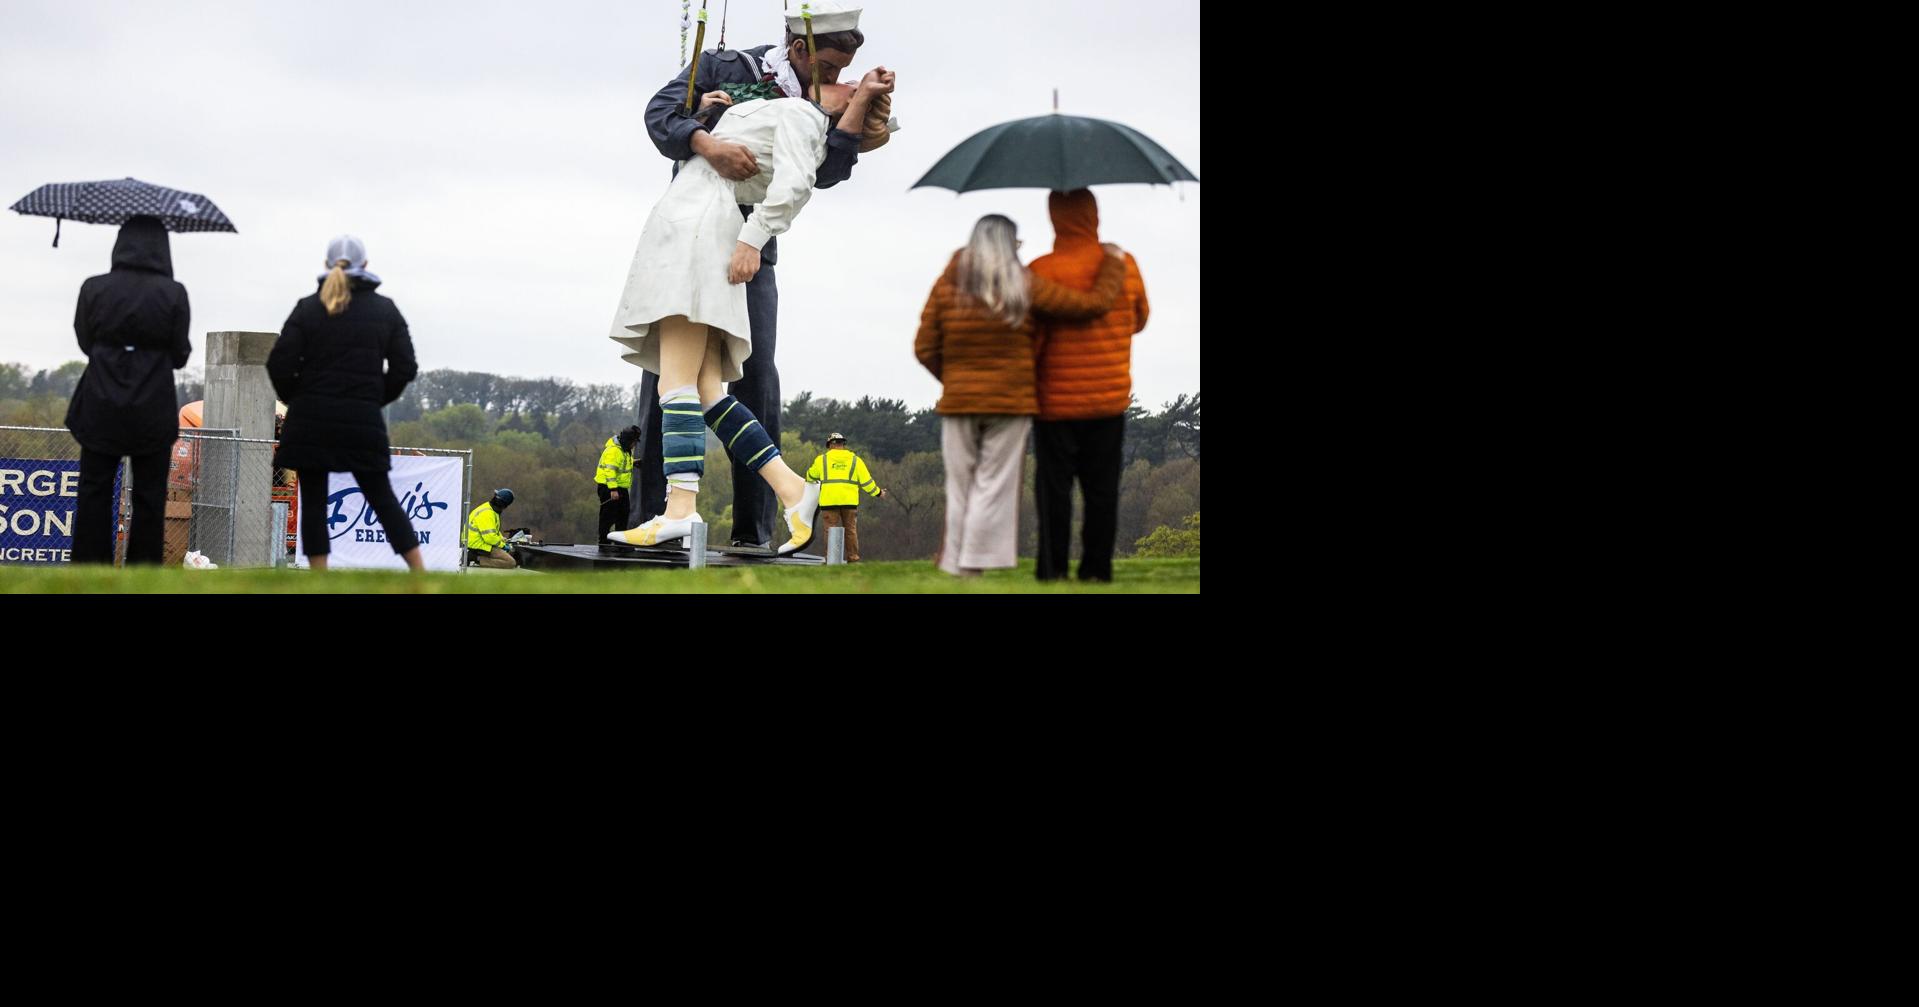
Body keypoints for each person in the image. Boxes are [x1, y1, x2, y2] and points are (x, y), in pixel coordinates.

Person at [632, 0, 895, 550]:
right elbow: (661, 115)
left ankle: (747, 528)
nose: (835, 80)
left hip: (745, 240)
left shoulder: (817, 108)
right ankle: (676, 507)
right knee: (682, 382)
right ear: (799, 48)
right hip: (699, 225)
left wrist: (856, 113)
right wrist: (707, 141)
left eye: (842, 74)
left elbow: (823, 174)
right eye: (828, 69)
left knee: (746, 375)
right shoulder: (726, 65)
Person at [914, 215, 1126, 577]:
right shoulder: (1024, 284)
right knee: (993, 483)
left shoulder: (949, 282)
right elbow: (1088, 305)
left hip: (960, 402)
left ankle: (955, 564)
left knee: (960, 484)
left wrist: (954, 380)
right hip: (1011, 402)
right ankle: (974, 561)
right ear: (1011, 244)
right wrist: (1113, 264)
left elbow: (924, 347)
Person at [267, 235, 424, 572]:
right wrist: (373, 399)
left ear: (327, 265)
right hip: (362, 419)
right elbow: (405, 367)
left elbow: (278, 364)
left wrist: (299, 399)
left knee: (313, 502)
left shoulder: (307, 308)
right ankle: (419, 571)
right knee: (382, 498)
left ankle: (319, 579)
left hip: (310, 420)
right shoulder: (385, 310)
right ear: (365, 265)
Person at [1028, 189, 1151, 582]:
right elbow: (1140, 319)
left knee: (1054, 489)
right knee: (1102, 489)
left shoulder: (1040, 270)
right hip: (1108, 397)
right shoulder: (1124, 264)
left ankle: (1053, 570)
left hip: (1054, 401)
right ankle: (1097, 570)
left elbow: (1032, 337)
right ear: (1093, 216)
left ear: (1054, 217)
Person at [66, 215, 192, 565]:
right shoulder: (174, 293)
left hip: (100, 400)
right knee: (151, 493)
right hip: (153, 403)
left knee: (94, 489)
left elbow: (85, 340)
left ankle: (90, 565)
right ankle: (144, 566)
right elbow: (180, 354)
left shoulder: (93, 288)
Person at [803, 432, 885, 561]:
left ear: (830, 445)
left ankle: (831, 560)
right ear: (843, 444)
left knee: (830, 531)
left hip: (829, 501)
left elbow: (810, 476)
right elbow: (866, 482)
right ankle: (853, 558)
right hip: (849, 502)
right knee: (851, 530)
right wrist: (878, 492)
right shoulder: (855, 460)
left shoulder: (822, 460)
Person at [595, 424, 641, 540]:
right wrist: (613, 489)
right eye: (634, 442)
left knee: (623, 515)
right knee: (608, 516)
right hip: (609, 488)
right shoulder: (614, 451)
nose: (634, 445)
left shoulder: (624, 450)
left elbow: (620, 464)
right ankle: (604, 542)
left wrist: (633, 463)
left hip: (620, 488)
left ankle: (620, 542)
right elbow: (610, 471)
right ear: (627, 441)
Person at [465, 488, 517, 569]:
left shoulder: (490, 509)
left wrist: (502, 539)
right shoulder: (487, 513)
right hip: (477, 546)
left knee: (510, 554)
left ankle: (477, 558)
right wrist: (503, 545)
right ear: (503, 505)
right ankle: (475, 559)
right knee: (510, 562)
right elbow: (489, 538)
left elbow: (493, 531)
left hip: (478, 542)